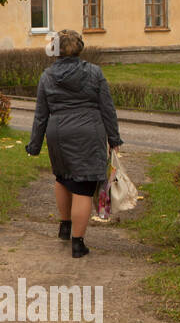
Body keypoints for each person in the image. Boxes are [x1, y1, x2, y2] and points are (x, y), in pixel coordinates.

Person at [24, 29, 122, 258]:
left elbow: (41, 115)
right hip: (89, 132)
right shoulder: (94, 73)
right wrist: (114, 139)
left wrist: (34, 145)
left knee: (62, 177)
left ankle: (65, 225)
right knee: (83, 188)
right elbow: (107, 108)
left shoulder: (47, 76)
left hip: (58, 133)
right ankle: (78, 243)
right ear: (80, 47)